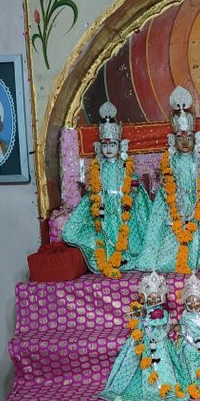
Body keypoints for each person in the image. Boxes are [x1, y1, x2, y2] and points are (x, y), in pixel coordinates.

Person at [62, 102, 150, 274]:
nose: (109, 149)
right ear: (100, 147)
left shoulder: (125, 166)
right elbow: (94, 191)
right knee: (102, 232)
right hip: (104, 207)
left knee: (127, 234)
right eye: (105, 145)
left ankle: (126, 257)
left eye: (113, 145)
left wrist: (134, 189)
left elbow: (133, 184)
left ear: (120, 145)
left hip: (123, 207)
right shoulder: (98, 168)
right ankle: (107, 258)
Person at [135, 87, 200, 273]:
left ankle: (195, 257)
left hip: (197, 207)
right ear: (172, 139)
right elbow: (167, 187)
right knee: (167, 248)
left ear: (196, 139)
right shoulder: (170, 160)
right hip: (175, 208)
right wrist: (164, 184)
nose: (185, 142)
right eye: (180, 137)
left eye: (189, 137)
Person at [100, 271, 189, 401]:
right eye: (151, 298)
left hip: (161, 344)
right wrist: (139, 316)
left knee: (164, 364)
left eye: (157, 297)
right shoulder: (143, 311)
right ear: (146, 297)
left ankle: (166, 388)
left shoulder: (164, 313)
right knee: (136, 361)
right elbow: (129, 318)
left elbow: (167, 325)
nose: (154, 300)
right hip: (146, 342)